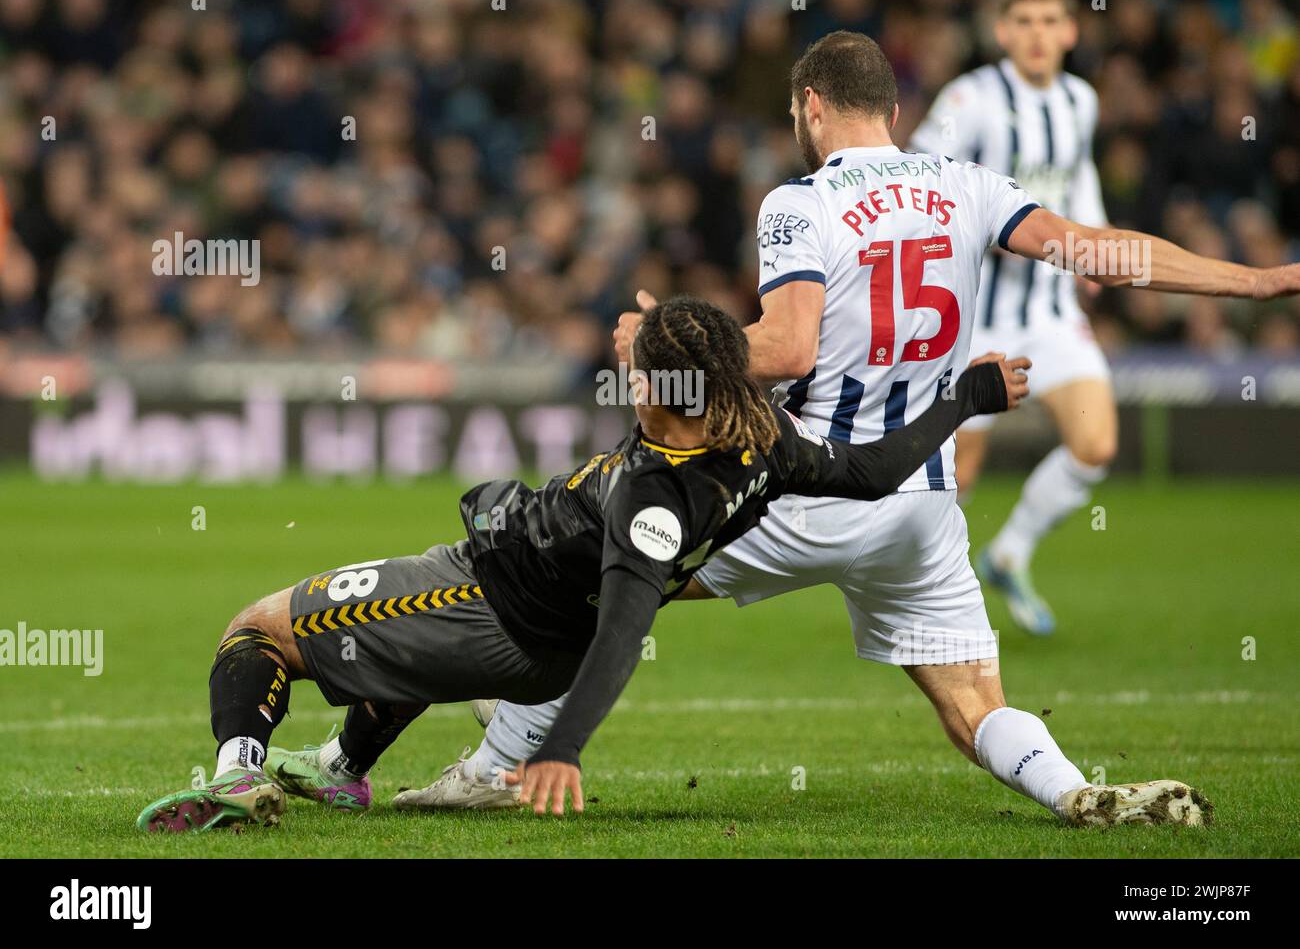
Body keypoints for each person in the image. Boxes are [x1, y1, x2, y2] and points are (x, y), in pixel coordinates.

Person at [413, 29, 1299, 827]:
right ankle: (1074, 791)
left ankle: (495, 766)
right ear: (895, 109)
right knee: (971, 700)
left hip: (795, 487)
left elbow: (789, 349)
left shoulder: (798, 203)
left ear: (811, 105)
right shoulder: (971, 187)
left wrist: (655, 348)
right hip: (917, 498)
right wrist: (1254, 282)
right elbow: (1103, 251)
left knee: (604, 580)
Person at [136, 295, 1022, 830]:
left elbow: (628, 630)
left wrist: (559, 750)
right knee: (402, 646)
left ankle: (236, 775)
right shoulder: (763, 442)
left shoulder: (653, 499)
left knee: (259, 627)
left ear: (659, 392)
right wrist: (966, 397)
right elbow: (868, 474)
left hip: (488, 603)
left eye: (641, 373)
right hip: (522, 620)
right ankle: (340, 771)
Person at [909, 0, 1115, 635]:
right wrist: (978, 229)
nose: (1037, 35)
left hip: (1052, 315)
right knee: (959, 472)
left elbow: (1077, 178)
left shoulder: (1081, 101)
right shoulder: (968, 101)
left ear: (1071, 32)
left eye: (1050, 22)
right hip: (973, 320)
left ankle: (1010, 551)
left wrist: (1094, 247)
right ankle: (930, 601)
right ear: (1001, 31)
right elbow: (916, 177)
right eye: (1024, 22)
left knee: (1096, 444)